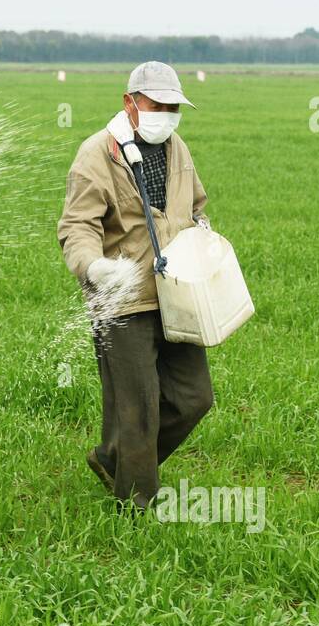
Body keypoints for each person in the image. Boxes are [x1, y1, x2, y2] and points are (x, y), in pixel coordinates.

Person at [57, 61, 214, 512]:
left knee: (194, 397)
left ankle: (113, 458)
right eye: (157, 104)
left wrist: (204, 234)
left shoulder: (175, 146)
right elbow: (76, 227)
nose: (166, 113)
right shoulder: (97, 155)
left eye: (173, 106)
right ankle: (138, 509)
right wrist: (93, 266)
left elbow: (195, 204)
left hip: (176, 292)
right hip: (121, 299)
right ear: (130, 103)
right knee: (137, 408)